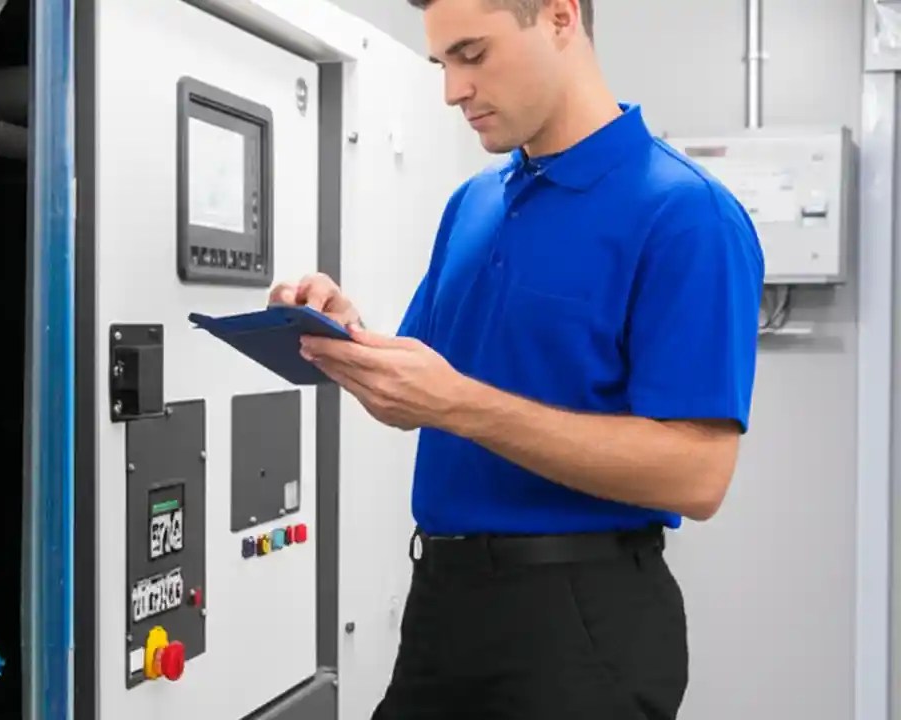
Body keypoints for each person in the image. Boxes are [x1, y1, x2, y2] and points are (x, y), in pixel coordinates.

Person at [269, 0, 764, 717]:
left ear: (561, 18)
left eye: (473, 55)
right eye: (443, 64)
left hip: (578, 622)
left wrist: (458, 405)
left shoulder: (686, 215)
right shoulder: (474, 203)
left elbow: (697, 475)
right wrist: (348, 336)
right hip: (442, 604)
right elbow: (417, 393)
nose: (451, 90)